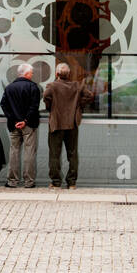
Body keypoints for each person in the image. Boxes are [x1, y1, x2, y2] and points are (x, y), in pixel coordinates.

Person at [42, 61, 93, 189]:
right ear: (69, 74)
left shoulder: (52, 86)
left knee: (54, 154)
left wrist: (51, 107)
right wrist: (79, 105)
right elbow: (89, 95)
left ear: (57, 73)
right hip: (72, 124)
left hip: (56, 124)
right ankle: (71, 182)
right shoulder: (77, 86)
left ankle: (56, 182)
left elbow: (46, 97)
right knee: (72, 153)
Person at [0, 62, 41, 189]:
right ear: (27, 73)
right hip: (29, 125)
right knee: (29, 152)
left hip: (13, 125)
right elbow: (34, 106)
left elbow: (3, 104)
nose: (32, 74)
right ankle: (29, 181)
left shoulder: (9, 88)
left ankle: (12, 181)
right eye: (32, 73)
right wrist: (25, 120)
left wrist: (13, 119)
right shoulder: (33, 87)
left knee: (14, 151)